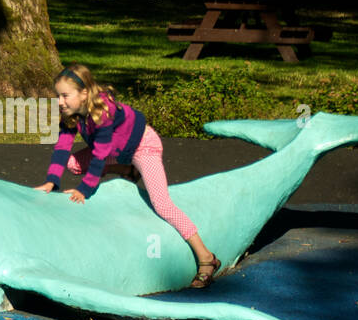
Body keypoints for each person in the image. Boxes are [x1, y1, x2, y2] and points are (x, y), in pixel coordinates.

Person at [33, 63, 221, 288]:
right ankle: (127, 170)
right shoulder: (71, 114)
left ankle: (206, 258)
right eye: (58, 96)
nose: (60, 102)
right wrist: (52, 181)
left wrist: (84, 190)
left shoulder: (102, 111)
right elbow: (63, 147)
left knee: (162, 205)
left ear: (84, 94)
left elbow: (100, 154)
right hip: (118, 152)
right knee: (72, 164)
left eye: (64, 96)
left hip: (143, 147)